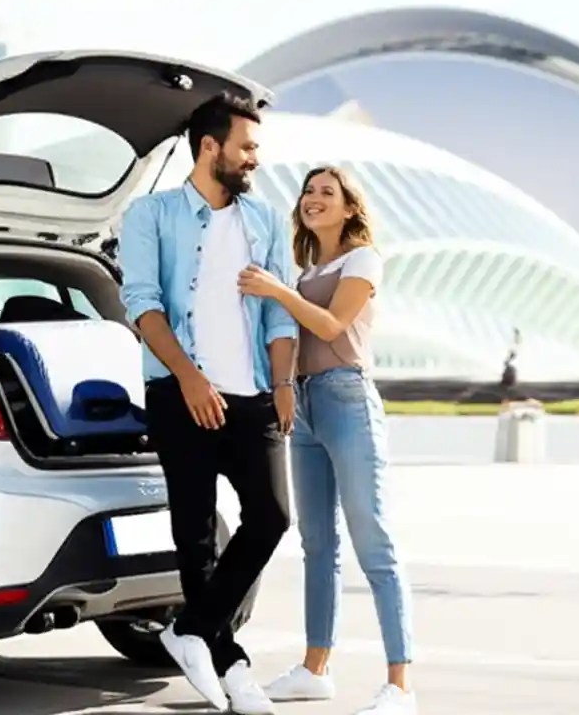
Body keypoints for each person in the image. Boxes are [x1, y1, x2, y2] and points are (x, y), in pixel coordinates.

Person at [117, 94, 298, 715]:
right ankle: (233, 667)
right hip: (180, 389)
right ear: (209, 147)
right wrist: (190, 379)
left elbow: (279, 312)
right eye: (246, 147)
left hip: (250, 394)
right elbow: (142, 303)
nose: (255, 158)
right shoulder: (151, 215)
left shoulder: (266, 220)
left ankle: (191, 629)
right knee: (195, 534)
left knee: (271, 516)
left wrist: (282, 384)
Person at [238, 165, 418, 715]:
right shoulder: (308, 269)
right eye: (308, 191)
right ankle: (316, 670)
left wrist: (273, 289)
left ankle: (401, 686)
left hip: (347, 402)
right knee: (318, 545)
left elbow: (331, 327)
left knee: (374, 543)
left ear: (348, 208)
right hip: (307, 407)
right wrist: (284, 386)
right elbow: (290, 335)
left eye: (327, 192)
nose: (313, 198)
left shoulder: (363, 260)